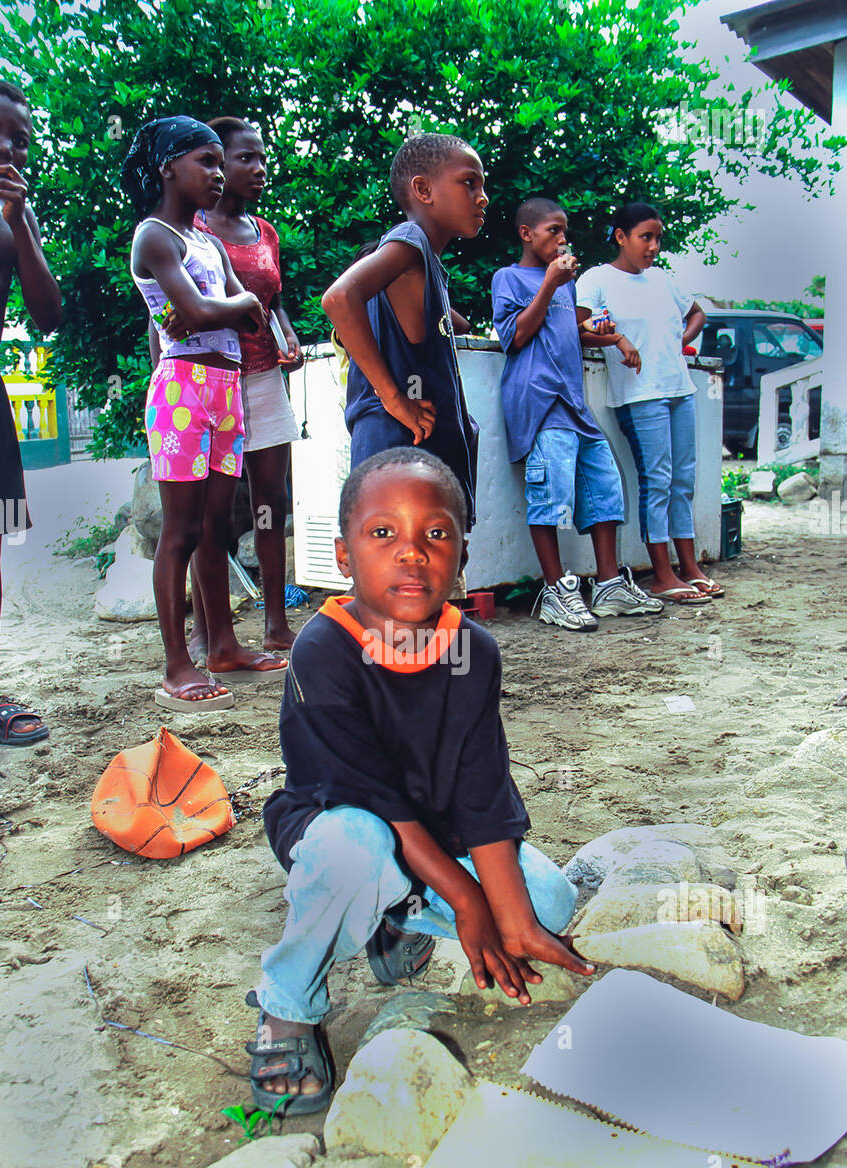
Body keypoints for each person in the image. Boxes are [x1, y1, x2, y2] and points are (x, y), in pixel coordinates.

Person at [246, 446, 594, 1114]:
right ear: (344, 556)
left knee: (547, 905)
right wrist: (468, 901)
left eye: (435, 534)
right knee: (355, 851)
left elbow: (482, 791)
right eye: (383, 534)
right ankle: (286, 1002)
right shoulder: (323, 651)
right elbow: (375, 803)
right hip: (344, 824)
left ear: (462, 554)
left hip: (437, 832)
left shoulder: (473, 651)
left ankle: (395, 920)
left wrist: (513, 918)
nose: (411, 552)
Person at [121, 116, 287, 710]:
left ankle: (223, 646)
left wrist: (222, 310)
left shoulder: (206, 241)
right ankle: (175, 665)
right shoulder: (154, 236)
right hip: (183, 390)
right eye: (205, 162)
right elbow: (199, 309)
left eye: (222, 163)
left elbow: (223, 315)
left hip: (226, 385)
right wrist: (237, 303)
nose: (218, 175)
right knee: (181, 530)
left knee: (218, 526)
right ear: (168, 167)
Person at [491, 197, 664, 632]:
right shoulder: (508, 278)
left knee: (605, 486)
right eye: (553, 230)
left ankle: (607, 585)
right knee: (551, 498)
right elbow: (516, 336)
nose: (563, 238)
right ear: (526, 234)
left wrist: (613, 337)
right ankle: (555, 591)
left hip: (573, 402)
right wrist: (549, 283)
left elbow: (572, 334)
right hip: (540, 403)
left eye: (564, 230)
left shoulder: (567, 286)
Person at [320, 133, 482, 533]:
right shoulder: (409, 240)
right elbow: (339, 299)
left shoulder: (425, 264)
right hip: (397, 447)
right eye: (469, 182)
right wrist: (394, 398)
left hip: (416, 453)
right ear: (423, 190)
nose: (483, 197)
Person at [188, 116, 303, 655]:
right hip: (212, 385)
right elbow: (167, 316)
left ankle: (276, 621)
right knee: (211, 512)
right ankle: (209, 628)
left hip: (263, 379)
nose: (258, 169)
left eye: (262, 158)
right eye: (244, 159)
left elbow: (272, 299)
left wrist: (288, 335)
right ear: (216, 163)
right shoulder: (189, 231)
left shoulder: (266, 233)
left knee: (270, 505)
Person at [576, 202, 718, 603]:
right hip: (639, 396)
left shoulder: (662, 280)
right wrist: (616, 340)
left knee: (683, 480)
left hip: (679, 389)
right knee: (656, 481)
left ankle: (690, 568)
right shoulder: (597, 279)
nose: (653, 246)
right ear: (621, 237)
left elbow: (697, 314)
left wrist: (679, 340)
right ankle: (662, 575)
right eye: (645, 237)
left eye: (658, 238)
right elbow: (576, 327)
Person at [0, 79, 61, 747]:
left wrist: (17, 220)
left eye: (18, 141)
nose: (6, 149)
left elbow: (48, 313)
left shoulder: (10, 218)